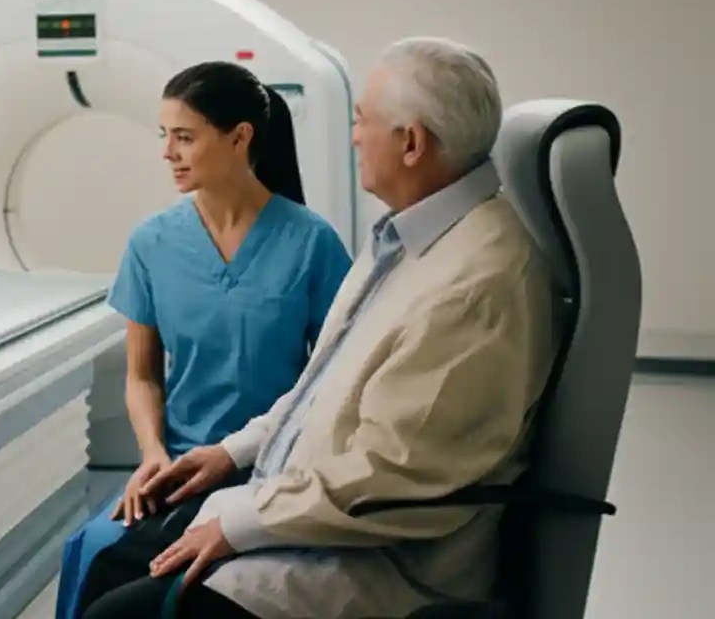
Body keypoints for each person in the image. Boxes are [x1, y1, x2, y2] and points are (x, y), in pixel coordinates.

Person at [76, 37, 561, 619]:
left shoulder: (474, 284)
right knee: (108, 567)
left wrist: (237, 521)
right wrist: (231, 454)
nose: (353, 136)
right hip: (307, 499)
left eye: (362, 121)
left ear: (410, 143)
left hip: (374, 556)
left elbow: (391, 475)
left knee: (119, 611)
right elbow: (318, 388)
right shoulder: (410, 241)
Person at [54, 61, 353, 619]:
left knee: (191, 580)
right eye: (164, 135)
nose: (168, 152)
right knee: (92, 551)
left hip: (273, 462)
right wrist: (151, 453)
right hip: (178, 464)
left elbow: (337, 374)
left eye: (185, 137)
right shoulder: (151, 242)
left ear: (240, 137)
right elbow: (142, 374)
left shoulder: (311, 242)